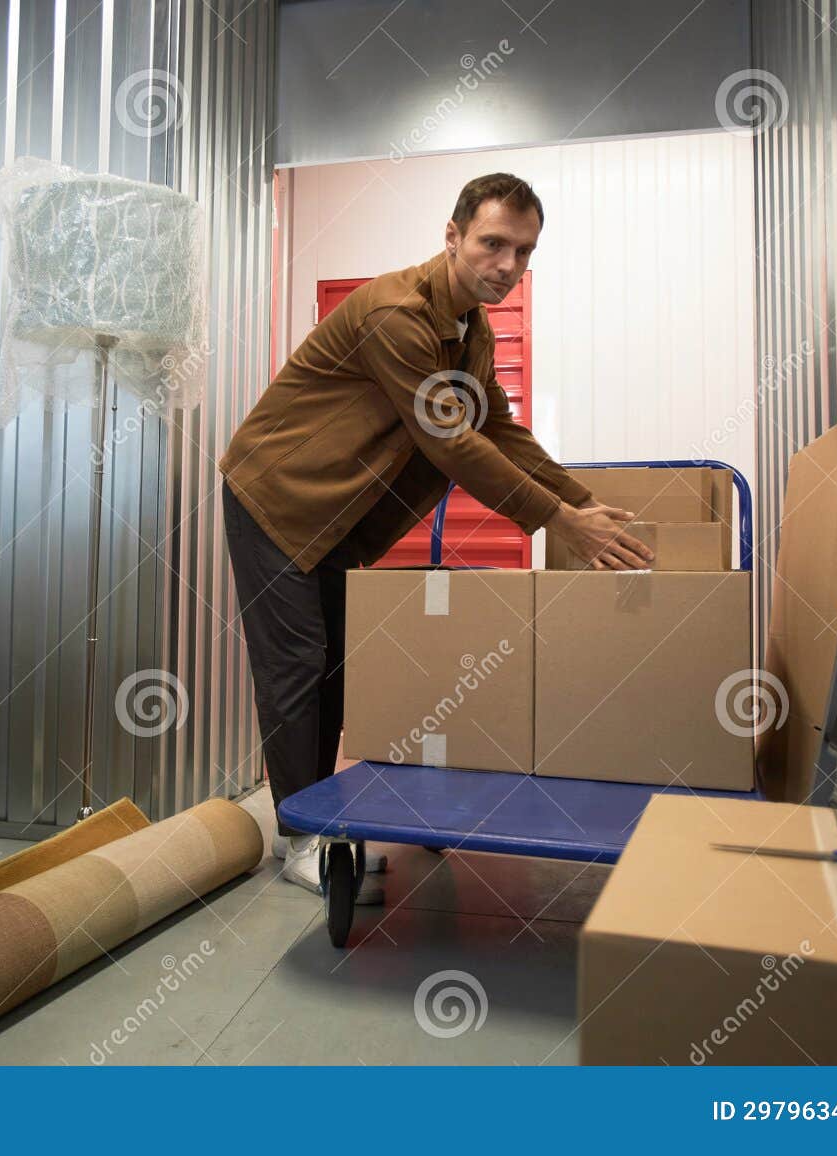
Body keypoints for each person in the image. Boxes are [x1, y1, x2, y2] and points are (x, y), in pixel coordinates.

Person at [219, 173, 653, 901]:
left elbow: (498, 428)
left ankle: (322, 824)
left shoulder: (471, 331)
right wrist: (556, 520)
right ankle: (299, 839)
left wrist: (585, 505)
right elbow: (451, 441)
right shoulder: (397, 312)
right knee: (296, 664)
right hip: (277, 496)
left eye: (523, 251)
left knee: (332, 667)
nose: (507, 265)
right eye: (492, 244)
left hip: (337, 514)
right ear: (452, 237)